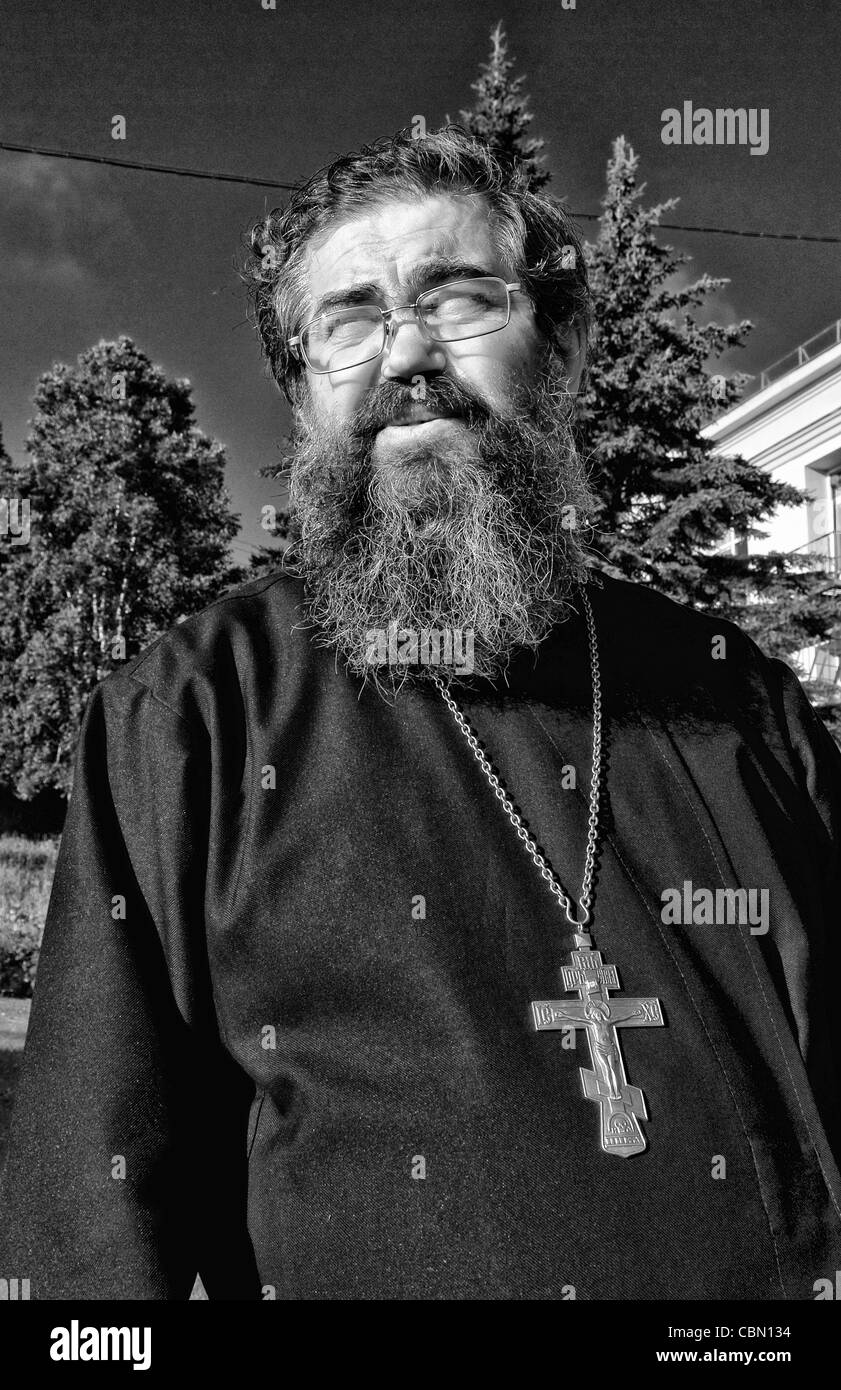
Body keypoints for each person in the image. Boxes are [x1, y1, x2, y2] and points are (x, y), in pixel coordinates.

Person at [2, 128, 840, 1301]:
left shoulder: (736, 699)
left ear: (560, 347)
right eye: (346, 321)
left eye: (458, 300)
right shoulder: (194, 714)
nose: (405, 352)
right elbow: (92, 1230)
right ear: (301, 392)